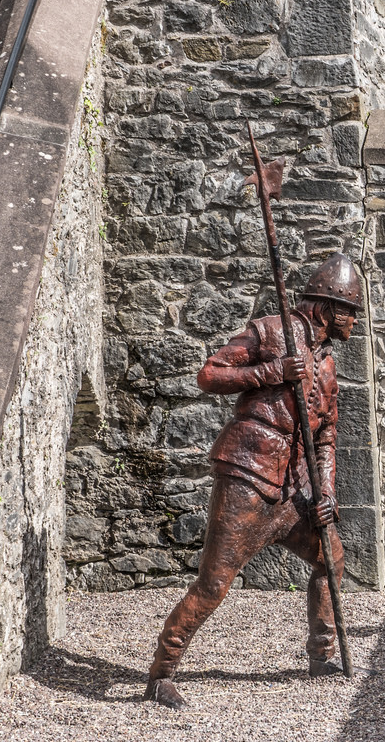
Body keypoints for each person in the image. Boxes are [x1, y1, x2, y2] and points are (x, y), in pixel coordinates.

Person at [143, 253, 362, 710]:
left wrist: (325, 492)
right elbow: (210, 374)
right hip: (247, 475)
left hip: (293, 489)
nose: (354, 322)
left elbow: (326, 438)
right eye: (349, 311)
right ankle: (161, 673)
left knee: (332, 558)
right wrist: (272, 373)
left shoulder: (326, 367)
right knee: (214, 584)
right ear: (324, 308)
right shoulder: (270, 331)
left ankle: (322, 656)